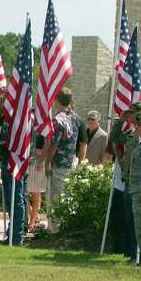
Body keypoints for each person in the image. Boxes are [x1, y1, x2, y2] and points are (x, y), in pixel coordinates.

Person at [114, 103, 141, 267]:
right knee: (138, 226)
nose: (137, 128)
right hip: (134, 188)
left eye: (140, 125)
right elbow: (115, 138)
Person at [42, 87, 87, 232]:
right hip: (71, 164)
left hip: (58, 164)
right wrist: (80, 163)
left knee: (55, 198)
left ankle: (55, 230)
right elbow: (83, 143)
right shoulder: (77, 119)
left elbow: (54, 144)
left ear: (56, 100)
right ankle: (66, 227)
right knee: (68, 197)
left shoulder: (57, 120)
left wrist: (47, 163)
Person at [0, 101, 27, 245]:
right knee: (10, 199)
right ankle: (11, 233)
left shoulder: (24, 115)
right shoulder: (7, 115)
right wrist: (1, 105)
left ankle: (18, 236)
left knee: (17, 198)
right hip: (5, 157)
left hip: (17, 161)